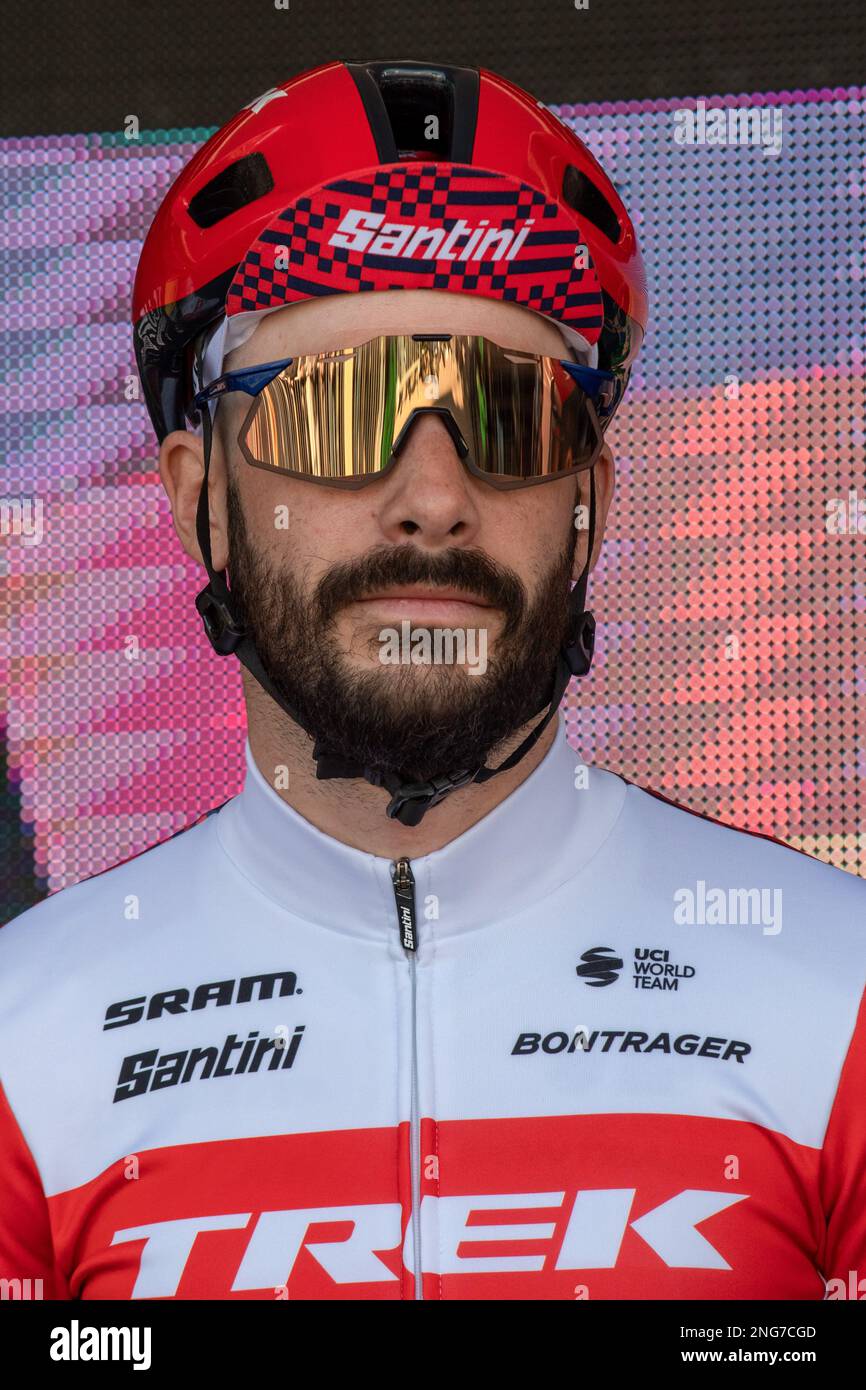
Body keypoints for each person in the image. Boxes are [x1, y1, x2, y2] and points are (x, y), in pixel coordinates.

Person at [0, 58, 864, 1303]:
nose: (434, 500)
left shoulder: (841, 1005)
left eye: (510, 417)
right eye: (340, 412)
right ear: (203, 504)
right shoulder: (25, 1058)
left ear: (588, 505)